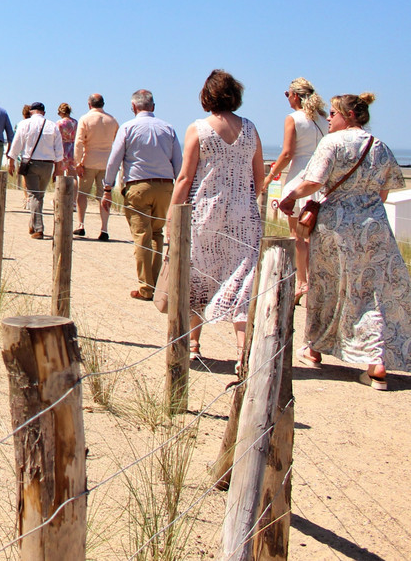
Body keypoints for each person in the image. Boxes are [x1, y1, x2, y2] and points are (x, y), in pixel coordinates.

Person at [279, 93, 408, 389]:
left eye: (333, 114)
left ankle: (313, 348)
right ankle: (376, 362)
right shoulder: (381, 146)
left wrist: (290, 196)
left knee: (328, 286)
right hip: (374, 226)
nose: (329, 118)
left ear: (348, 115)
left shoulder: (332, 143)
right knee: (371, 292)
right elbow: (385, 192)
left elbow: (313, 181)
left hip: (335, 227)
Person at [170, 70, 264, 360]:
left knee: (198, 276)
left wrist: (173, 215)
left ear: (206, 95)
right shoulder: (250, 129)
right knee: (243, 282)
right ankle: (242, 351)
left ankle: (193, 345)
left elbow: (185, 177)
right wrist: (245, 199)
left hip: (204, 213)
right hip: (244, 217)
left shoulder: (198, 128)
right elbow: (259, 176)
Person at [105, 89, 183, 301]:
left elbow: (114, 160)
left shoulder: (128, 128)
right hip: (165, 187)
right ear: (153, 107)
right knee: (157, 234)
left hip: (138, 186)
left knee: (142, 237)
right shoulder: (168, 128)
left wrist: (107, 188)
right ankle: (155, 284)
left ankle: (146, 288)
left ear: (133, 107)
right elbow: (179, 163)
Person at [260, 78, 327, 297]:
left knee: (296, 235)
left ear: (295, 96)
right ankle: (315, 282)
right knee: (314, 235)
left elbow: (287, 153)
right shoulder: (325, 119)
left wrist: (270, 176)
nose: (287, 98)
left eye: (287, 94)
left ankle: (302, 282)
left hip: (299, 177)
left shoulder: (293, 119)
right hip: (320, 179)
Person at [8, 102, 64, 239]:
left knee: (33, 195)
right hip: (48, 165)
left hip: (31, 163)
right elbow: (59, 150)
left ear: (31, 112)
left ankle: (38, 228)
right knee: (40, 195)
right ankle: (33, 224)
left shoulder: (25, 124)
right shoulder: (52, 125)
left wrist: (11, 162)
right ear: (43, 112)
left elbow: (16, 145)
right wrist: (58, 169)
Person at [73, 94, 119, 240]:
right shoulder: (112, 120)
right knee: (104, 195)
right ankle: (104, 228)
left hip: (89, 160)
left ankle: (81, 224)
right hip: (106, 162)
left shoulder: (85, 119)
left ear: (89, 104)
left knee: (83, 194)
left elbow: (79, 143)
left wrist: (78, 162)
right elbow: (117, 144)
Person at [57, 103, 77, 176]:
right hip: (73, 148)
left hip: (62, 148)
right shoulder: (75, 122)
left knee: (60, 174)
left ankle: (61, 187)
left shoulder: (59, 123)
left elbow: (57, 137)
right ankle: (73, 187)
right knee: (73, 174)